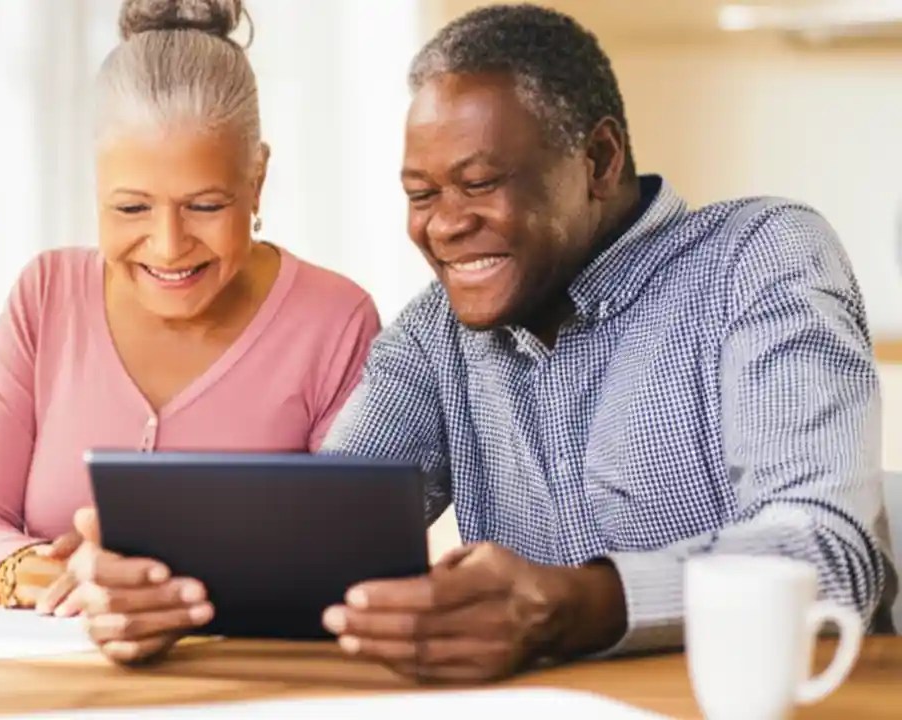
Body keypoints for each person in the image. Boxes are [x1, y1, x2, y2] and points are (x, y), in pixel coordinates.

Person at [64, 3, 896, 675]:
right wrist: (161, 591)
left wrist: (570, 605)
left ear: (599, 159)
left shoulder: (759, 259)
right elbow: (314, 537)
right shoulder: (433, 335)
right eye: (421, 194)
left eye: (480, 182)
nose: (445, 225)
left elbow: (830, 552)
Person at [0, 0, 380, 614]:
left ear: (257, 180)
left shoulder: (336, 322)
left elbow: (352, 559)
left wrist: (159, 593)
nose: (168, 246)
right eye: (132, 207)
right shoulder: (47, 294)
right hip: (50, 672)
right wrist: (59, 577)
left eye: (206, 206)